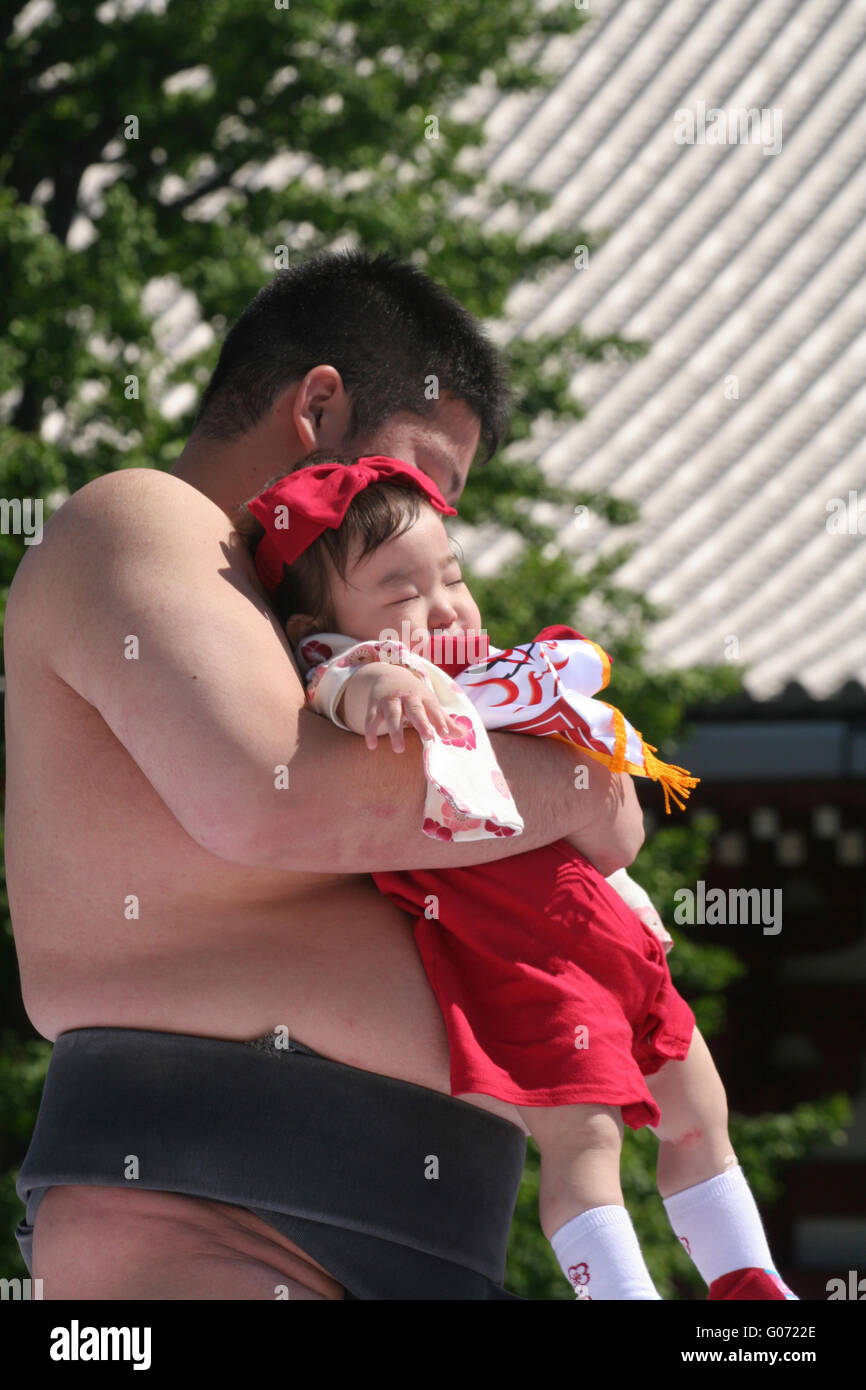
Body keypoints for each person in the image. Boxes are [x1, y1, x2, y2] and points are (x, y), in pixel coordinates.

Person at [7, 249, 646, 1300]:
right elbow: (273, 797)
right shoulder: (146, 518)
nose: (430, 531)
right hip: (205, 1208)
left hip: (412, 1221)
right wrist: (579, 785)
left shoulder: (317, 632)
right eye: (421, 480)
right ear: (316, 407)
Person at [236, 452, 800, 1302]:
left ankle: (750, 1286)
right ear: (322, 623)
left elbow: (615, 833)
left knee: (700, 1110)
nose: (442, 607)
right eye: (401, 594)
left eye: (451, 578)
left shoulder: (494, 681)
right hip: (523, 955)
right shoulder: (351, 672)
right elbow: (342, 688)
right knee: (586, 1142)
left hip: (608, 927)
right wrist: (381, 680)